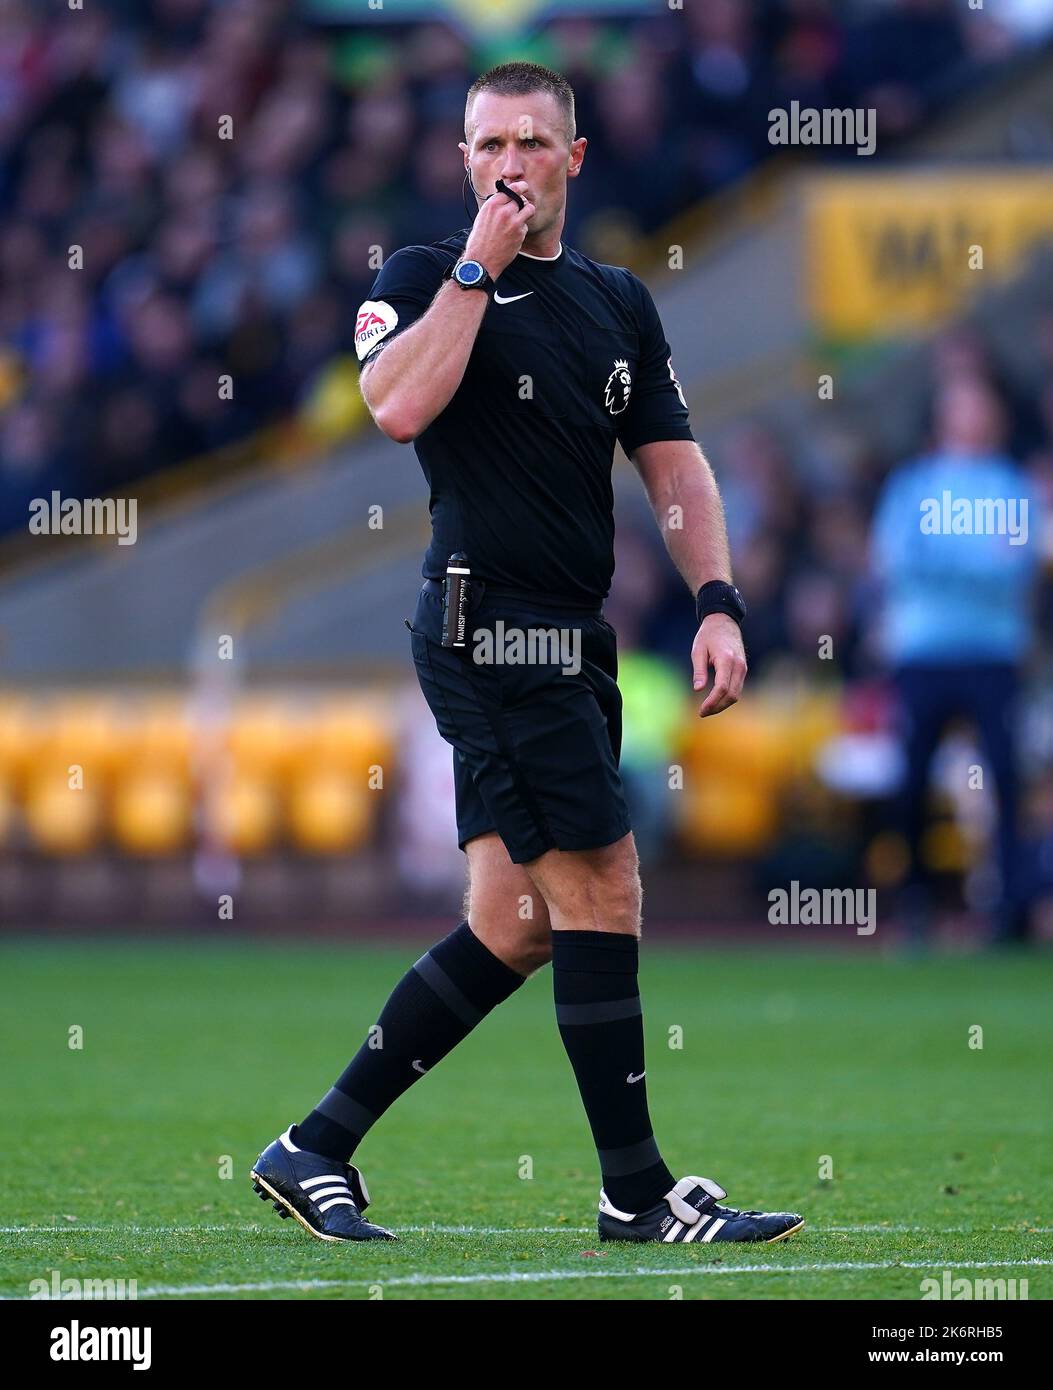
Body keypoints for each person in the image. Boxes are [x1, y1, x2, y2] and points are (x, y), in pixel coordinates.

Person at [251, 62, 803, 1247]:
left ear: (575, 157)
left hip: (575, 636)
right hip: (484, 625)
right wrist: (473, 271)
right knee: (604, 884)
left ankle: (314, 1145)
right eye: (489, 142)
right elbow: (396, 407)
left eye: (534, 143)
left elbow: (675, 466)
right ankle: (638, 1193)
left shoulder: (616, 302)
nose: (510, 162)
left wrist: (716, 598)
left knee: (516, 921)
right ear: (463, 159)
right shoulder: (416, 278)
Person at [871, 374, 1040, 946]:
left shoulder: (1011, 485)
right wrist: (976, 559)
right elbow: (896, 560)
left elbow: (1013, 566)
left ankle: (1008, 910)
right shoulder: (912, 485)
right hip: (922, 654)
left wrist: (944, 558)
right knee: (913, 778)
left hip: (994, 652)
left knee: (1005, 778)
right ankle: (916, 904)